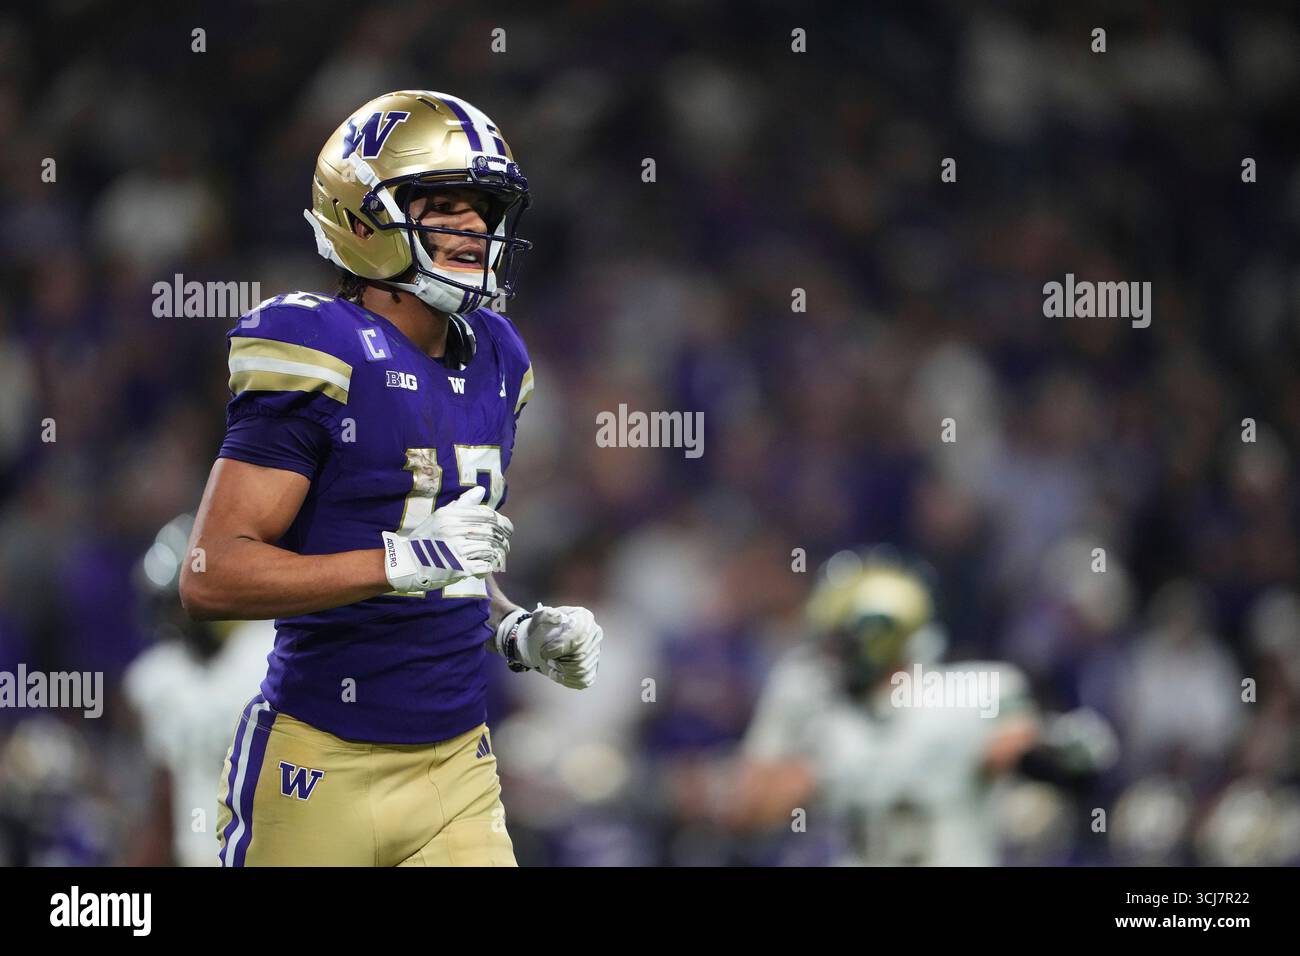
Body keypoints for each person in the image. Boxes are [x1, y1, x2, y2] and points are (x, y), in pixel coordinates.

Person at [180, 90, 603, 866]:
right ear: (362, 216)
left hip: (459, 769)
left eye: (483, 208)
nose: (474, 228)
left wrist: (514, 629)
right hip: (319, 767)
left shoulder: (500, 358)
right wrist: (398, 564)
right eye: (444, 205)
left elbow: (451, 562)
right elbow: (211, 577)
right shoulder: (316, 342)